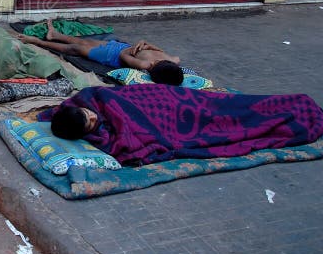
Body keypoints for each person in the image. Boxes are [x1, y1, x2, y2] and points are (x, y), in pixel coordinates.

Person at [48, 84, 323, 166]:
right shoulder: (108, 137)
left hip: (168, 98)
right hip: (172, 119)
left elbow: (113, 95)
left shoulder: (88, 99)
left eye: (88, 114)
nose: (93, 117)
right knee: (227, 120)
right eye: (90, 123)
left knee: (223, 104)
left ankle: (292, 104)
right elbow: (136, 143)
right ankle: (292, 110)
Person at [15, 19, 183, 86]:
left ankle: (37, 41)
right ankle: (55, 35)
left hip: (113, 55)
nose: (154, 61)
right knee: (84, 41)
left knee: (75, 49)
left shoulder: (145, 64)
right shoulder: (173, 59)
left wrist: (130, 50)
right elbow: (158, 49)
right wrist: (145, 44)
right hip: (120, 46)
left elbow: (123, 56)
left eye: (154, 65)